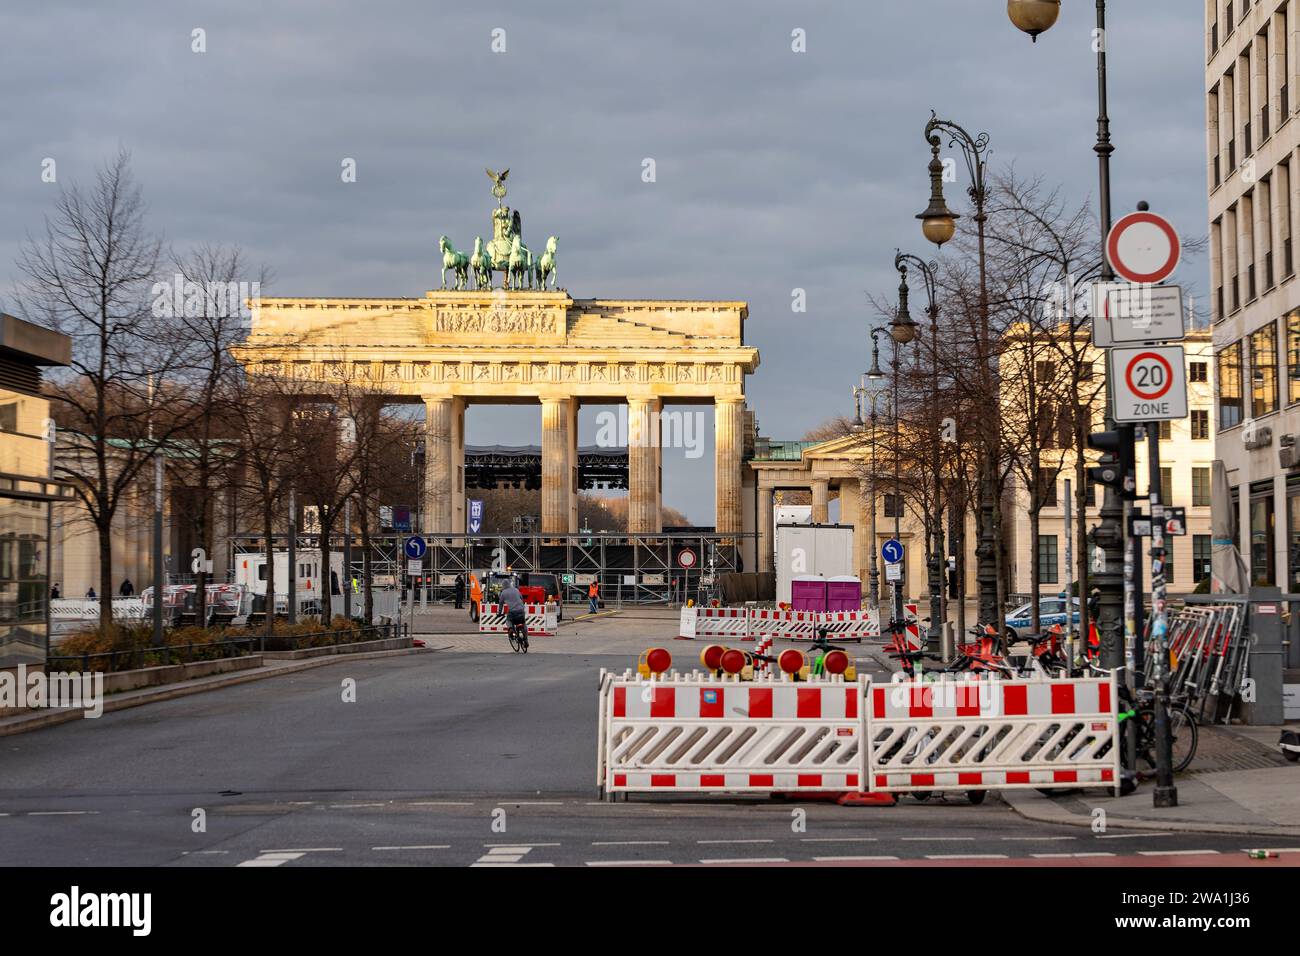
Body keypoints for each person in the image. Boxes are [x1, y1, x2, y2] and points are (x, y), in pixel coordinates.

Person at [499, 582, 528, 648]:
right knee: (523, 624)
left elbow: (501, 603)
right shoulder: (516, 590)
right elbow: (521, 598)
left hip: (512, 611)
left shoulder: (503, 593)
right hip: (521, 610)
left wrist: (499, 612)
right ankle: (526, 640)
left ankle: (510, 629)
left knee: (508, 621)